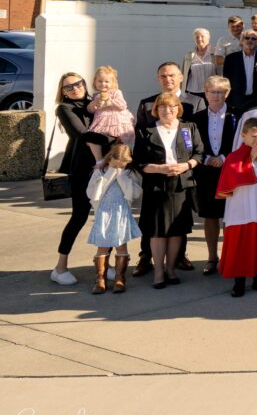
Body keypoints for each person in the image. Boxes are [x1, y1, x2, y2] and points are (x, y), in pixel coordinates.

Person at [133, 93, 204, 288]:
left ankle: (171, 269)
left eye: (172, 106)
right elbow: (138, 162)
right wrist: (159, 168)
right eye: (163, 107)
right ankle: (158, 272)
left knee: (176, 231)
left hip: (181, 185)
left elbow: (199, 153)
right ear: (156, 110)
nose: (168, 110)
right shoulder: (145, 131)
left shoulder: (188, 129)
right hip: (156, 186)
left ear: (178, 108)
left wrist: (186, 165)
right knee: (157, 232)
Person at [217, 119, 257, 296]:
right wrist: (249, 162)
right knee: (240, 244)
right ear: (243, 135)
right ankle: (239, 282)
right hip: (241, 208)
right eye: (253, 136)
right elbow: (232, 181)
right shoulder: (233, 157)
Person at [51, 72, 95, 286]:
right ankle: (60, 267)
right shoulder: (65, 109)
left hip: (105, 166)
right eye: (68, 87)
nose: (75, 88)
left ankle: (103, 262)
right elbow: (83, 134)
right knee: (79, 216)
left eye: (78, 84)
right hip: (82, 168)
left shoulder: (96, 101)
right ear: (63, 92)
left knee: (108, 215)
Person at [192, 78, 238, 276]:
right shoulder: (196, 118)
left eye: (220, 92)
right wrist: (207, 158)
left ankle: (230, 257)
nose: (216, 95)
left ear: (227, 93)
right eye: (212, 91)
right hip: (206, 171)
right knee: (210, 217)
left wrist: (223, 158)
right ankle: (212, 258)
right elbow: (189, 145)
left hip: (230, 170)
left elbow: (241, 142)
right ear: (205, 92)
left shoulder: (236, 115)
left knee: (230, 216)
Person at [84, 143, 141, 294]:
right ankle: (100, 279)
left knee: (121, 246)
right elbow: (91, 193)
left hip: (121, 213)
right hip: (104, 214)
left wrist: (122, 177)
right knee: (102, 246)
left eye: (123, 164)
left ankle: (119, 278)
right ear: (110, 159)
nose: (119, 167)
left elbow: (136, 193)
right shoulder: (100, 172)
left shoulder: (129, 173)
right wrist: (109, 174)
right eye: (116, 164)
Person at [183, 28, 217, 97]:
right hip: (193, 91)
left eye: (202, 36)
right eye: (197, 37)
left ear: (208, 37)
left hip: (213, 91)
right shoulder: (189, 55)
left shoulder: (216, 53)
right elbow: (183, 74)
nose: (199, 39)